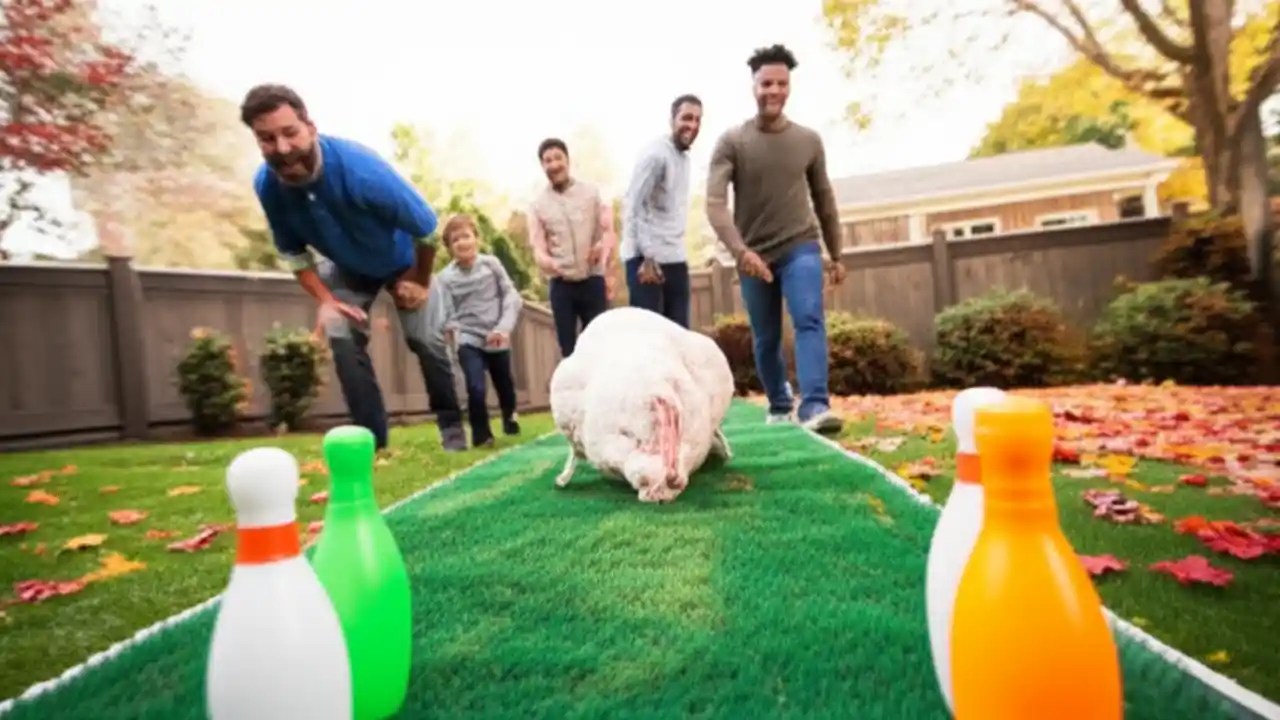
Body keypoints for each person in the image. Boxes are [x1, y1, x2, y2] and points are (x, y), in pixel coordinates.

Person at [239, 83, 467, 452]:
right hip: (348, 268)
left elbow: (426, 229)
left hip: (404, 259)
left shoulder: (361, 170)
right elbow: (295, 255)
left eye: (289, 133)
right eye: (267, 139)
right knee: (339, 332)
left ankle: (452, 428)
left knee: (425, 339)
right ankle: (373, 441)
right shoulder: (268, 186)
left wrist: (421, 283)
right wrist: (325, 299)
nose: (281, 148)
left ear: (310, 128)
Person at [704, 45, 846, 434]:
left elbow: (825, 199)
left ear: (789, 87)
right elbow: (715, 204)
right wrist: (740, 251)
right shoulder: (732, 141)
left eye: (782, 84)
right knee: (766, 337)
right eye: (767, 83)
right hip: (755, 255)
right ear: (753, 85)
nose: (774, 91)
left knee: (809, 319)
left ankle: (815, 405)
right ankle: (780, 402)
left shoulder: (808, 140)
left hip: (801, 244)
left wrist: (836, 252)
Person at [436, 213, 523, 448]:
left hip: (497, 334)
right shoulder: (444, 278)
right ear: (450, 248)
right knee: (475, 386)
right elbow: (447, 313)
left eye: (466, 236)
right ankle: (482, 435)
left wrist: (503, 328)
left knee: (504, 382)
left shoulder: (491, 265)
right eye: (455, 240)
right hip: (468, 338)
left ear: (476, 239)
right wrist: (453, 335)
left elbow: (510, 295)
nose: (462, 243)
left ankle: (509, 414)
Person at [527, 138, 615, 357]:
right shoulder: (538, 204)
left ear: (568, 160)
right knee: (569, 351)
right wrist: (548, 263)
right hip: (561, 285)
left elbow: (607, 231)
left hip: (592, 280)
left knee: (599, 347)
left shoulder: (592, 192)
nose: (554, 165)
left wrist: (601, 250)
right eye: (547, 161)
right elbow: (537, 246)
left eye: (558, 158)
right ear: (542, 166)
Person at [619, 94, 702, 328]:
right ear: (672, 120)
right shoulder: (655, 154)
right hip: (647, 260)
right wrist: (647, 255)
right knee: (652, 339)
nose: (692, 125)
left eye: (697, 120)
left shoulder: (683, 158)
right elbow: (634, 204)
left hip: (674, 256)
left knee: (679, 336)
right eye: (686, 118)